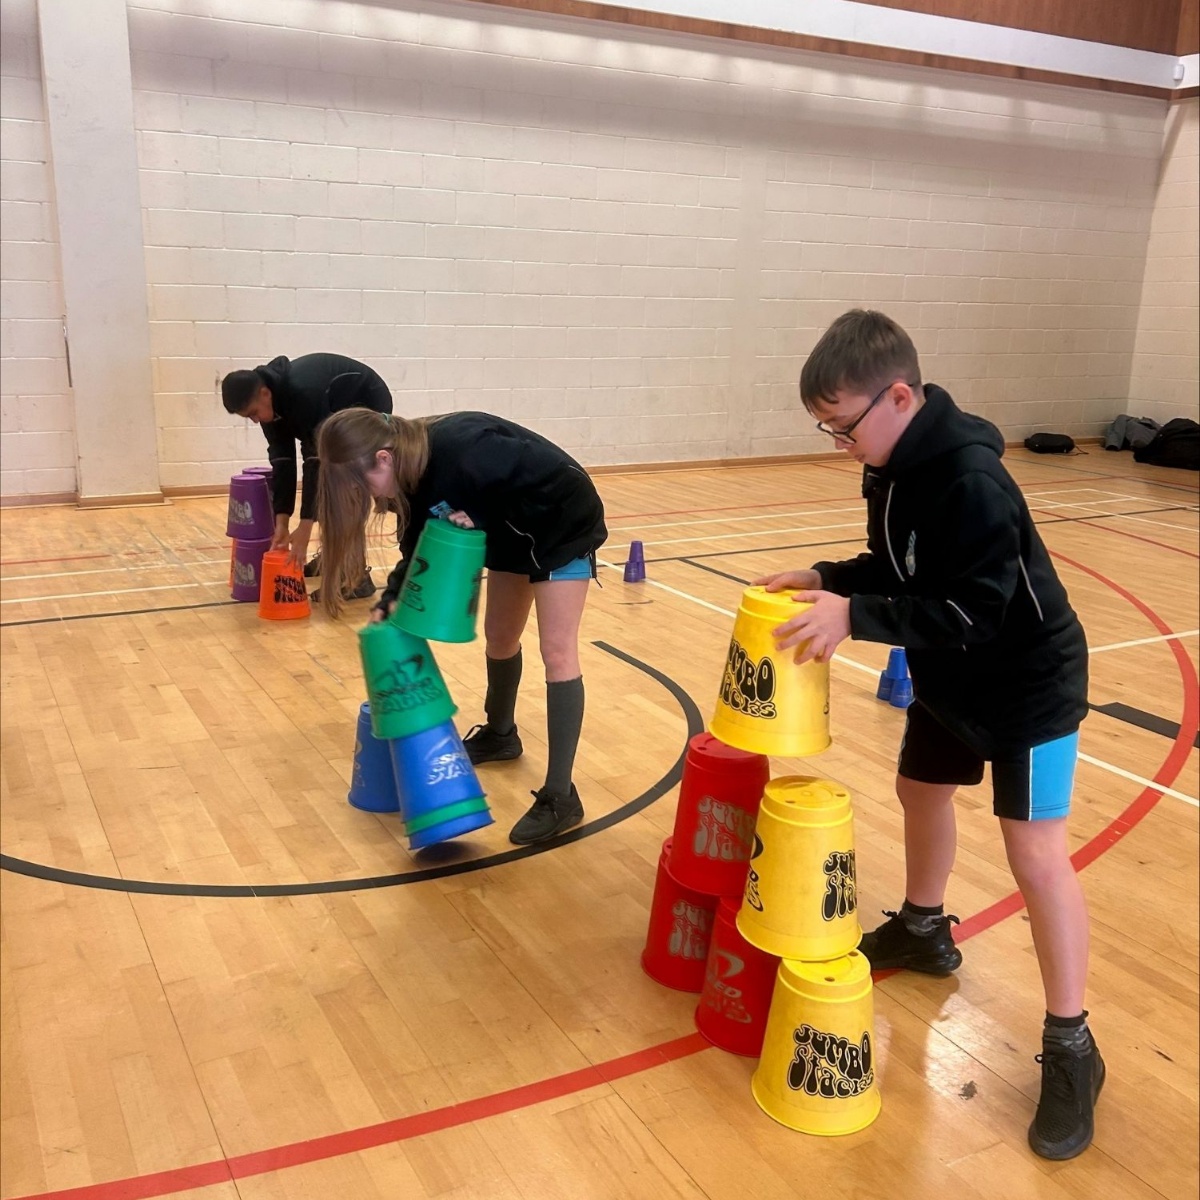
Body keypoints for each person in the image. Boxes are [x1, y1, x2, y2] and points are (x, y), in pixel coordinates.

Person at [756, 310, 1100, 1161]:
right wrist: (832, 578)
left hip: (1029, 688)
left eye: (842, 424)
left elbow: (975, 608)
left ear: (900, 395)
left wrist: (856, 617)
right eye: (825, 427)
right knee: (920, 789)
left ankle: (1073, 1046)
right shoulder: (892, 463)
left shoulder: (971, 479)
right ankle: (923, 926)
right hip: (954, 674)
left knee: (1035, 855)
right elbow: (906, 568)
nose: (838, 442)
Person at [316, 408, 608, 845]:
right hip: (511, 536)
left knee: (558, 650)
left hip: (560, 523)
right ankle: (501, 735)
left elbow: (539, 481)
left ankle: (561, 795)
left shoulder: (465, 449)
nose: (368, 498)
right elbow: (416, 542)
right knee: (501, 636)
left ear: (382, 457)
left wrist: (481, 518)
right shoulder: (411, 477)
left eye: (363, 484)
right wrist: (391, 598)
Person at [221, 353, 393, 599]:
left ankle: (355, 577)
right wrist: (282, 523)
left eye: (253, 413)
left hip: (368, 403)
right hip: (333, 411)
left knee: (343, 489)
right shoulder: (271, 402)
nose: (256, 420)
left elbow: (316, 459)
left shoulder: (303, 393)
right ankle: (331, 557)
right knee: (326, 485)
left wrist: (305, 526)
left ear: (264, 393)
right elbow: (283, 461)